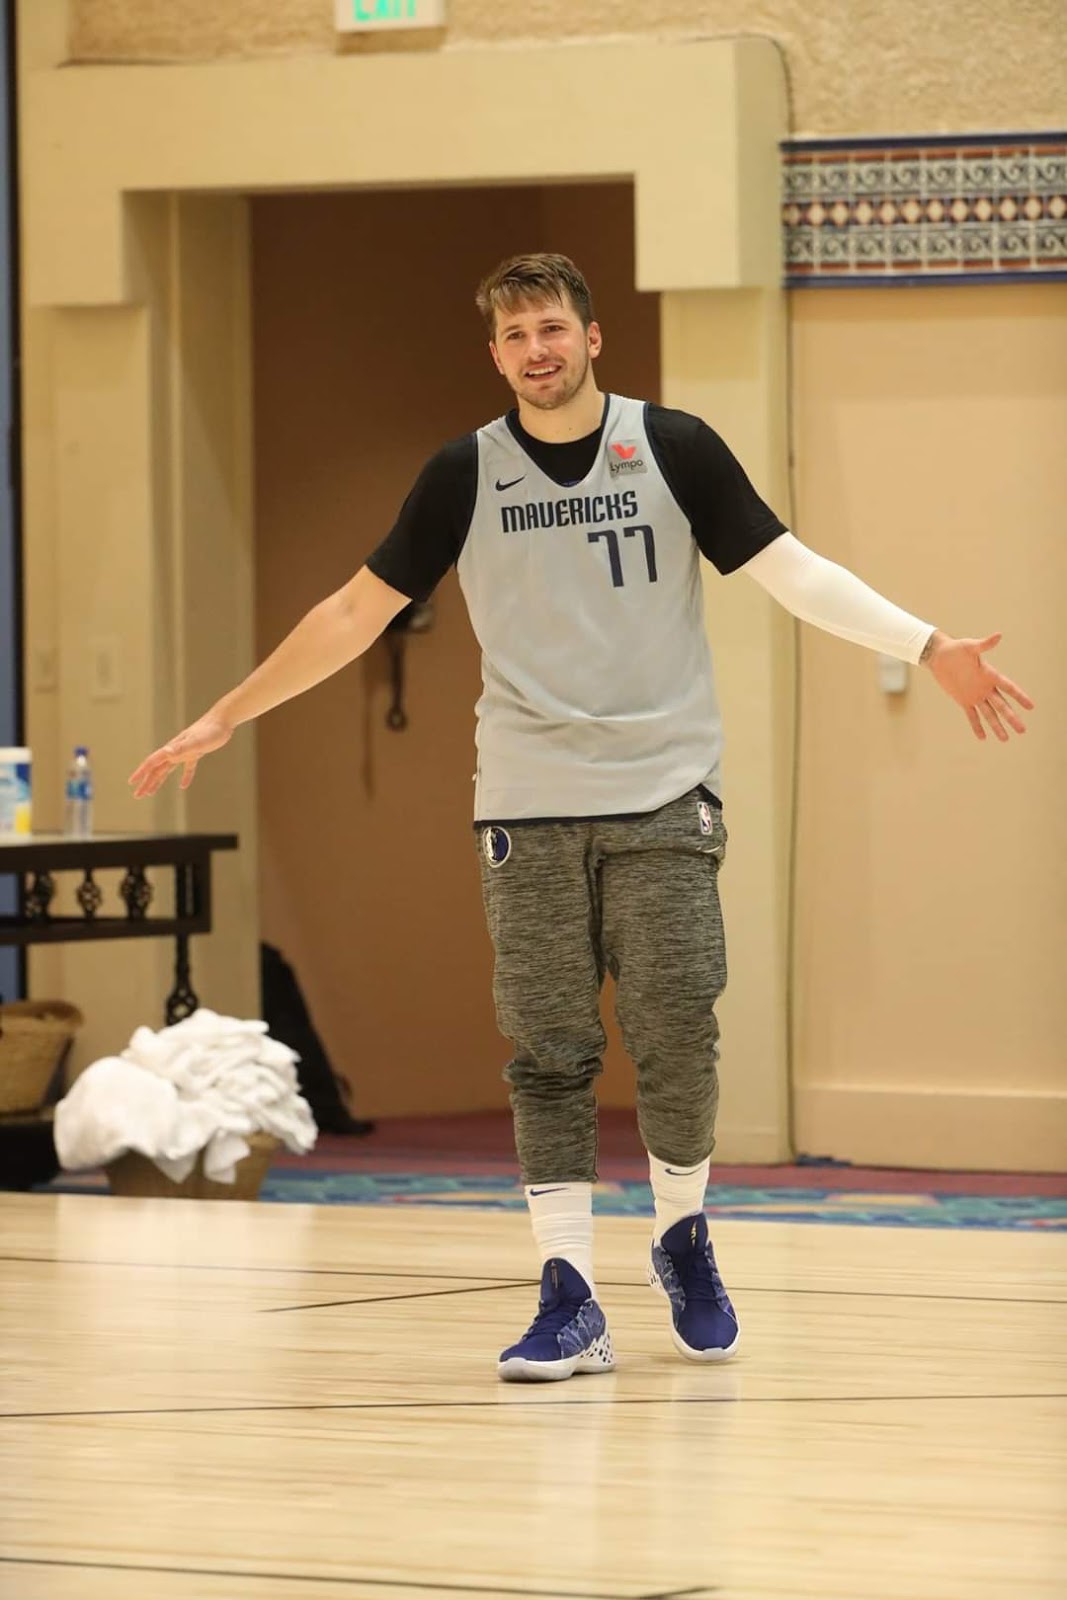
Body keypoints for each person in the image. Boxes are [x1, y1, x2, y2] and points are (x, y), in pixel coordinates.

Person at [130, 253, 1034, 1383]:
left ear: (592, 336)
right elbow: (356, 610)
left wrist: (925, 643)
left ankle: (682, 1232)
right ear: (494, 355)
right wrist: (226, 713)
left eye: (550, 328)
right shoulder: (462, 474)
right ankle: (566, 1290)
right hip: (524, 804)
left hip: (663, 793)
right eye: (513, 337)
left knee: (674, 1028)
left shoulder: (674, 448)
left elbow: (790, 570)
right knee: (547, 1049)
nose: (535, 351)